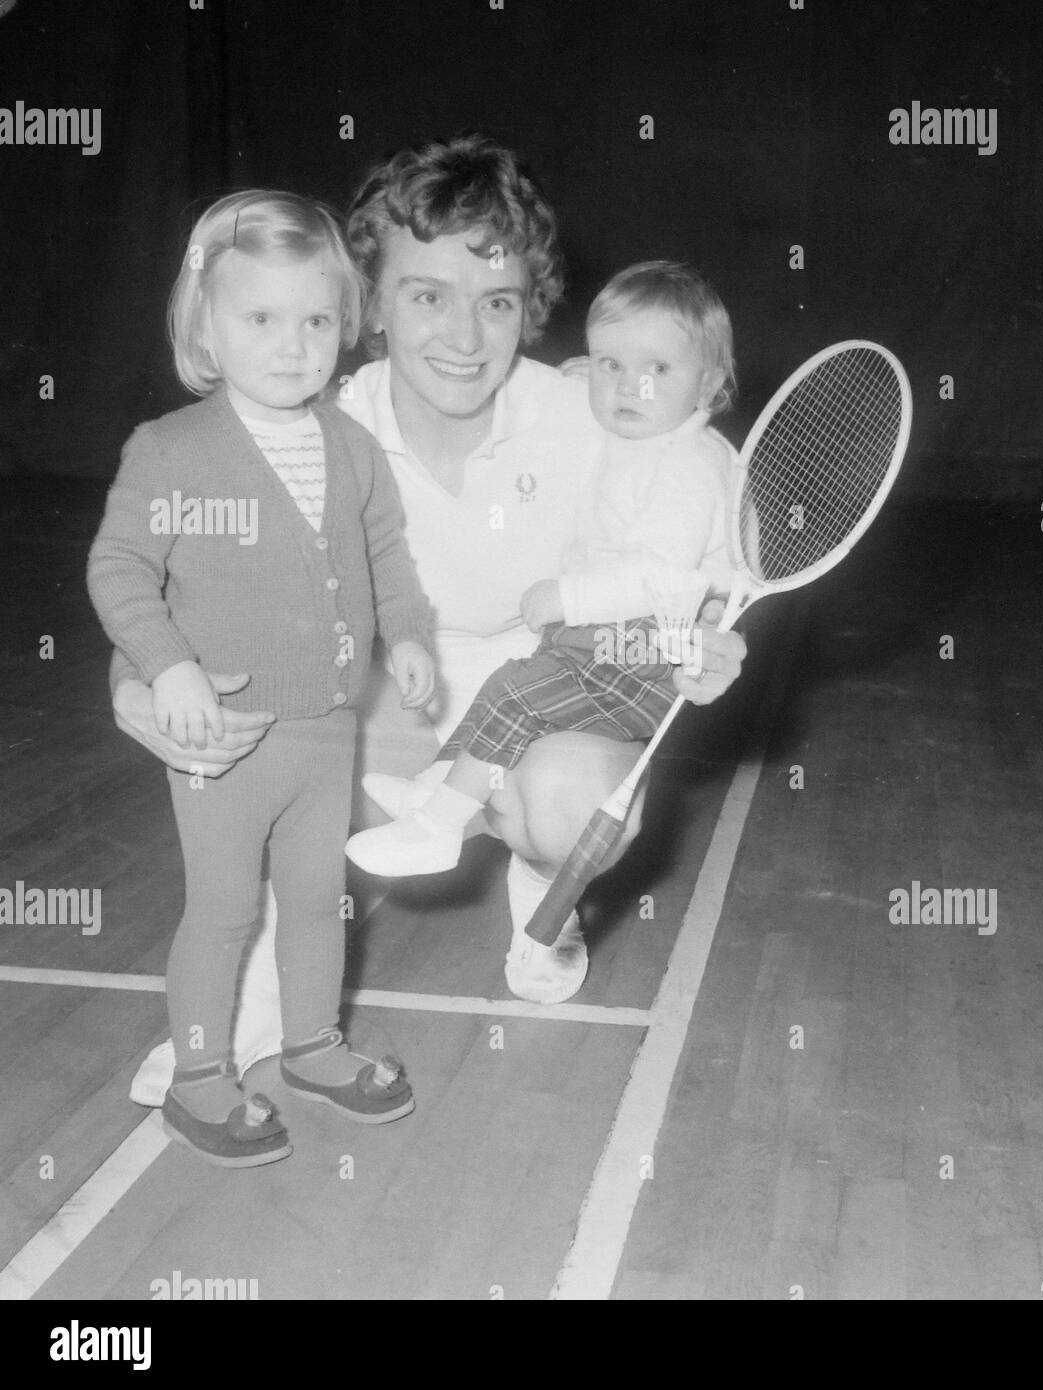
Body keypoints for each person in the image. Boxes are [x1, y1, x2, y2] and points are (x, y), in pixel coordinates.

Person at [110, 137, 747, 1104]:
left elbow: (705, 540)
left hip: (545, 699)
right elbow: (171, 577)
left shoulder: (596, 417)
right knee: (267, 763)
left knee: (575, 810)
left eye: (495, 301)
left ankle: (546, 884)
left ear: (527, 308)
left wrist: (703, 642)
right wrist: (137, 682)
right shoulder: (311, 432)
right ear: (368, 305)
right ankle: (249, 1008)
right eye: (426, 296)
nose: (465, 335)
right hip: (381, 706)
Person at [87, 191, 437, 1163]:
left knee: (319, 898)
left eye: (316, 320)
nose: (293, 345)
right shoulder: (170, 449)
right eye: (261, 319)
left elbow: (383, 556)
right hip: (225, 738)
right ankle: (200, 1076)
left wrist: (404, 632)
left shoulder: (351, 446)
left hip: (329, 730)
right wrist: (171, 670)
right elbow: (118, 571)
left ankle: (313, 1044)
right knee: (225, 908)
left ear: (346, 323)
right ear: (205, 322)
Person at [344, 261, 738, 881]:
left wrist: (569, 596)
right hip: (581, 644)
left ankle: (445, 826)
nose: (630, 387)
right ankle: (437, 791)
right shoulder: (629, 425)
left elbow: (662, 576)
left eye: (657, 369)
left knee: (515, 696)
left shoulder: (690, 465)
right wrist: (599, 374)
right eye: (612, 364)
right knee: (510, 689)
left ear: (710, 384)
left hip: (635, 654)